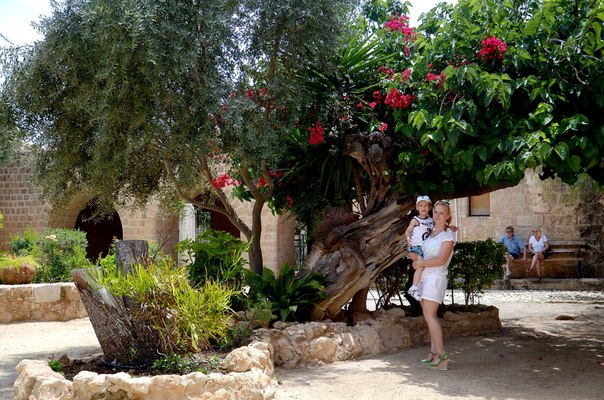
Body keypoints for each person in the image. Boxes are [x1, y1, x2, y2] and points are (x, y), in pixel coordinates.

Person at [408, 200, 455, 371]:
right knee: (429, 316)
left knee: (430, 316)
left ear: (448, 216)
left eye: (442, 213)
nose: (437, 215)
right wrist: (414, 257)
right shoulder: (430, 232)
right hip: (424, 278)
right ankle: (433, 353)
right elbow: (423, 254)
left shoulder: (447, 235)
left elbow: (441, 260)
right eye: (435, 212)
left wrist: (420, 264)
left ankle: (441, 356)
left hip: (435, 278)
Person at [405, 195, 434, 301]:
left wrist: (449, 228)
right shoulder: (415, 220)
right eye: (421, 205)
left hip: (426, 248)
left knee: (425, 267)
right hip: (416, 247)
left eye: (426, 205)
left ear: (430, 207)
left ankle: (420, 286)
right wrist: (408, 238)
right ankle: (414, 288)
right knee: (421, 265)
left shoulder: (431, 220)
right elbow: (408, 230)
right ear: (417, 208)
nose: (423, 207)